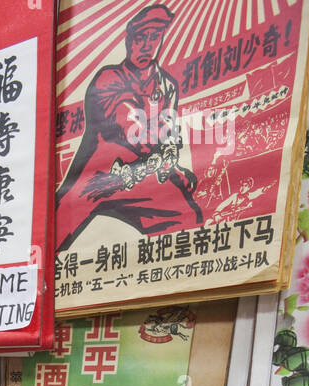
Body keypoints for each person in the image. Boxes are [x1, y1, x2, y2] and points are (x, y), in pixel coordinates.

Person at [56, 4, 203, 251]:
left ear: (162, 39)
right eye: (140, 38)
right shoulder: (109, 78)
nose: (146, 44)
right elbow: (128, 124)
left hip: (142, 177)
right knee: (53, 232)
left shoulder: (167, 85)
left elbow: (168, 132)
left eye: (154, 37)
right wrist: (159, 153)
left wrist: (172, 164)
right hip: (97, 177)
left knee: (187, 217)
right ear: (129, 41)